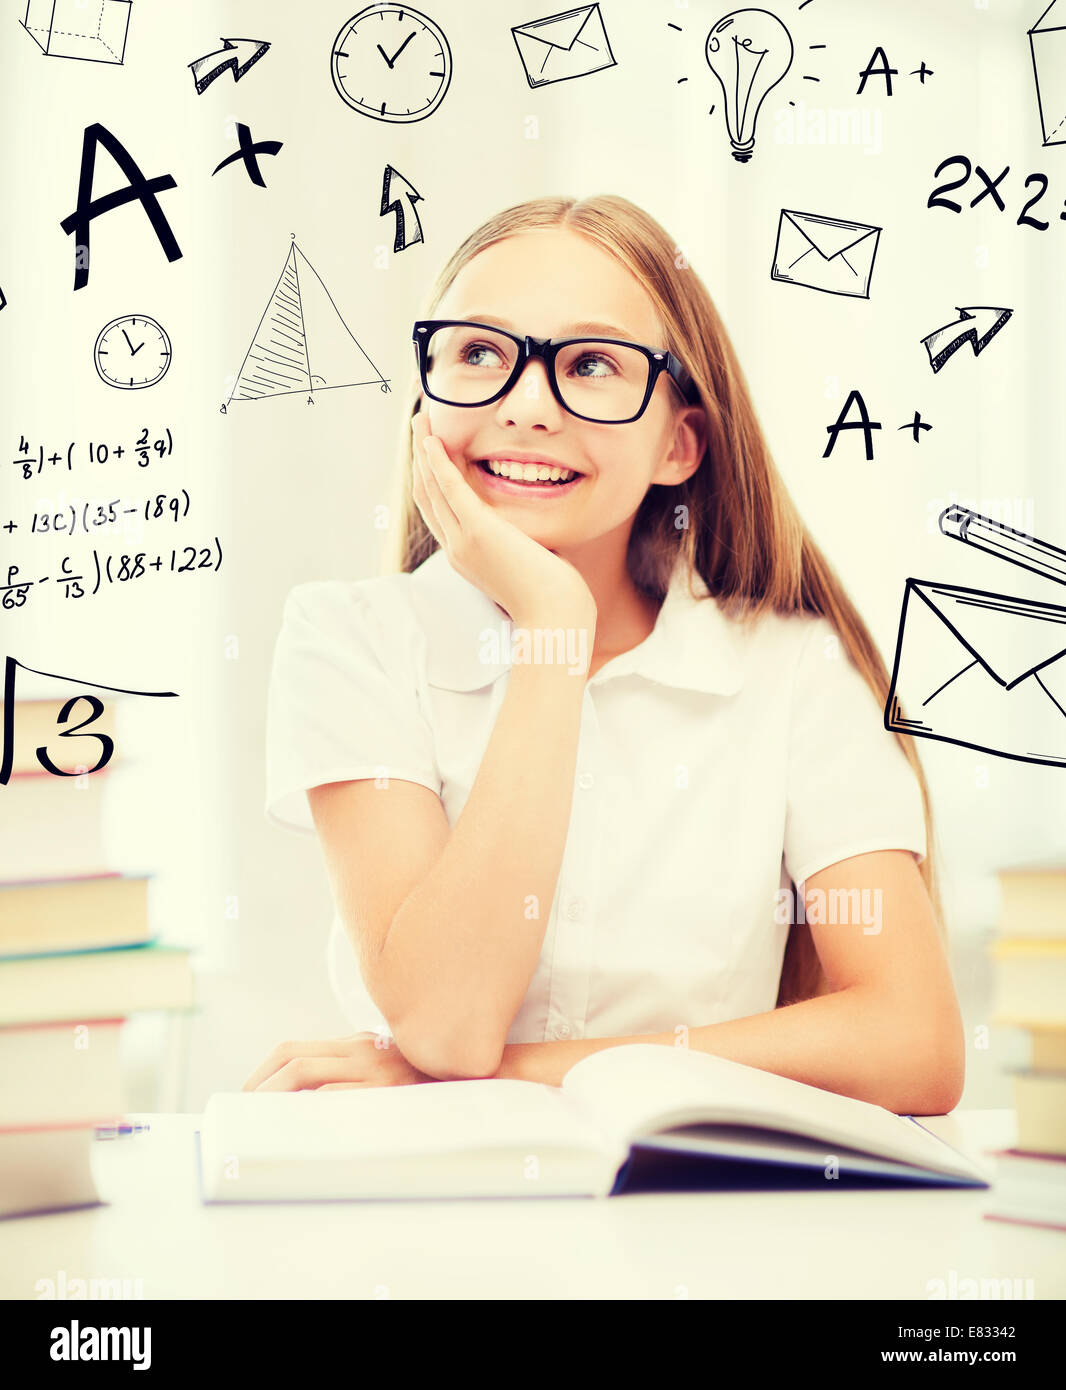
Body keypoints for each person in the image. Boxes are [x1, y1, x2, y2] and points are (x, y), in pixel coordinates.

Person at [247, 194, 964, 1115]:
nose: (526, 407)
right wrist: (551, 621)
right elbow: (448, 1018)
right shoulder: (350, 640)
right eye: (478, 353)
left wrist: (518, 1074)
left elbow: (916, 1042)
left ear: (679, 442)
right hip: (429, 1211)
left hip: (696, 1219)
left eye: (589, 365)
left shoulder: (795, 671)